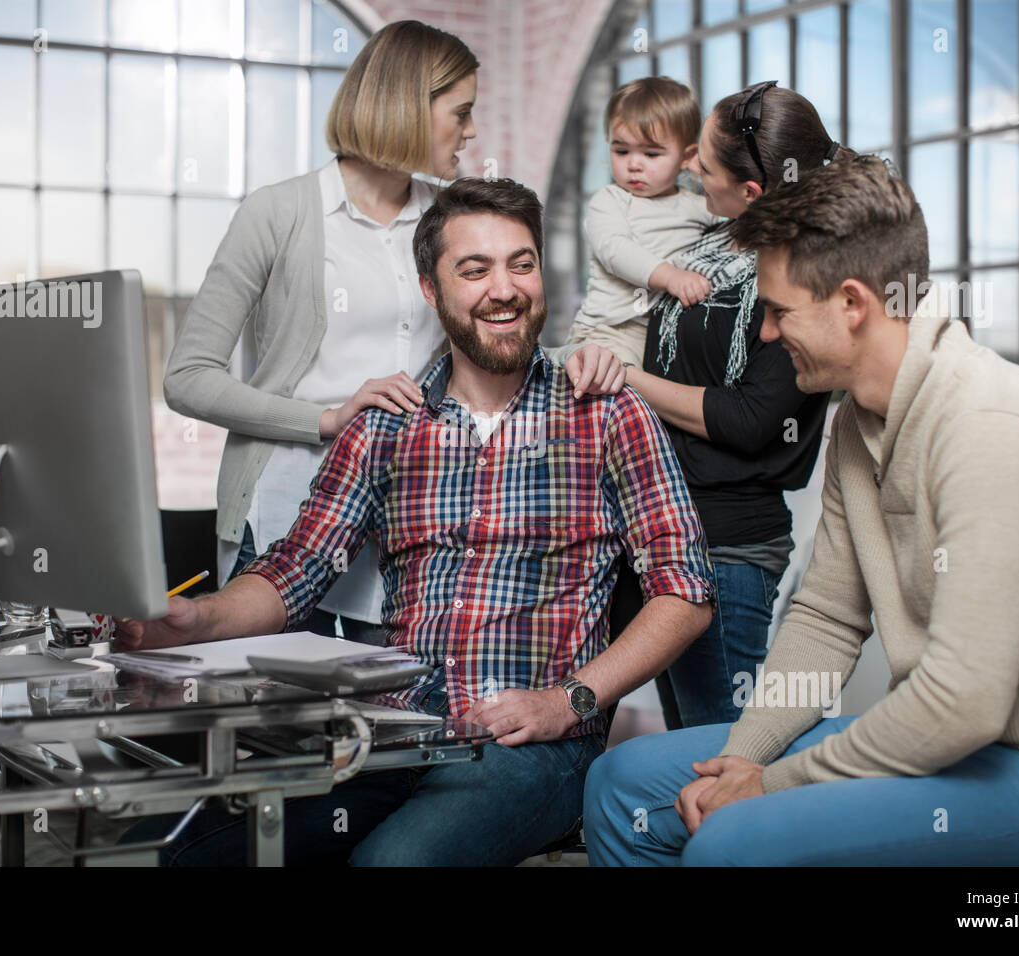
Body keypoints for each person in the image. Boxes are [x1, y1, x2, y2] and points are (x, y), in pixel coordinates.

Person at [118, 177, 717, 866]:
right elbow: (295, 572)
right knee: (163, 853)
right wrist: (199, 620)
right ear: (431, 290)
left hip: (529, 746)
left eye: (520, 263)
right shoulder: (386, 425)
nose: (505, 288)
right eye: (475, 269)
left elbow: (686, 593)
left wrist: (568, 701)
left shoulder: (606, 410)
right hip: (387, 736)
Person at [583, 154, 1019, 866]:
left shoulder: (992, 425)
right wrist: (743, 757)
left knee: (733, 839)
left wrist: (769, 784)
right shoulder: (855, 424)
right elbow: (828, 617)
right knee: (621, 783)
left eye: (779, 312)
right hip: (954, 745)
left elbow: (964, 702)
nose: (767, 335)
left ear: (853, 304)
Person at [164, 21, 623, 648]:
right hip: (283, 512)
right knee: (275, 720)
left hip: (411, 513)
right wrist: (328, 419)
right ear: (409, 106)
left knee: (385, 718)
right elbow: (188, 378)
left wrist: (583, 355)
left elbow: (496, 332)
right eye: (460, 113)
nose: (471, 131)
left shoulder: (448, 216)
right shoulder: (279, 213)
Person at [617, 82, 840, 729]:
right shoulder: (712, 235)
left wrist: (626, 378)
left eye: (704, 164)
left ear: (753, 192)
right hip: (655, 528)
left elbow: (749, 419)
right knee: (680, 744)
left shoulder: (800, 281)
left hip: (725, 548)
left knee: (718, 750)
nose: (689, 169)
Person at [564, 76, 718, 367]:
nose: (634, 164)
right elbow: (615, 250)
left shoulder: (697, 205)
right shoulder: (609, 201)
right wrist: (671, 277)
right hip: (608, 332)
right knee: (610, 398)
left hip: (662, 334)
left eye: (651, 153)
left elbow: (740, 214)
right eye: (621, 151)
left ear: (686, 156)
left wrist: (706, 173)